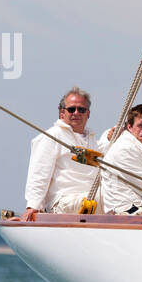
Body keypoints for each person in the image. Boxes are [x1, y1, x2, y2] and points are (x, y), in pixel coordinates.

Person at [22, 86, 98, 220]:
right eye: (71, 109)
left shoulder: (92, 140)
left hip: (90, 202)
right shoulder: (53, 135)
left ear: (88, 114)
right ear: (62, 113)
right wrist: (33, 205)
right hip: (63, 203)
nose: (76, 113)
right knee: (116, 195)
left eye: (81, 109)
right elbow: (39, 171)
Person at [100, 103, 142, 214]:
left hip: (136, 209)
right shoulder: (125, 149)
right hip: (125, 213)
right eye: (140, 126)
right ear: (129, 127)